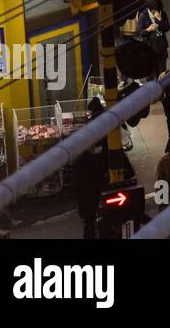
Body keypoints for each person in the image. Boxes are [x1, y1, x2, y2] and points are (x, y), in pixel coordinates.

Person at [71, 98, 109, 239]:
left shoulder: (80, 160)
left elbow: (77, 184)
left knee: (89, 224)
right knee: (91, 224)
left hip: (87, 200)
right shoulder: (88, 160)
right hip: (91, 198)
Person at [136, 0, 170, 78]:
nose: (157, 12)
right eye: (155, 10)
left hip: (161, 47)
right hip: (149, 48)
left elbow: (167, 28)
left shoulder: (162, 13)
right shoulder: (143, 16)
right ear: (150, 9)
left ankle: (162, 89)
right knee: (151, 73)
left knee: (162, 73)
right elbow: (139, 33)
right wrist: (148, 30)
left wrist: (160, 20)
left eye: (158, 10)